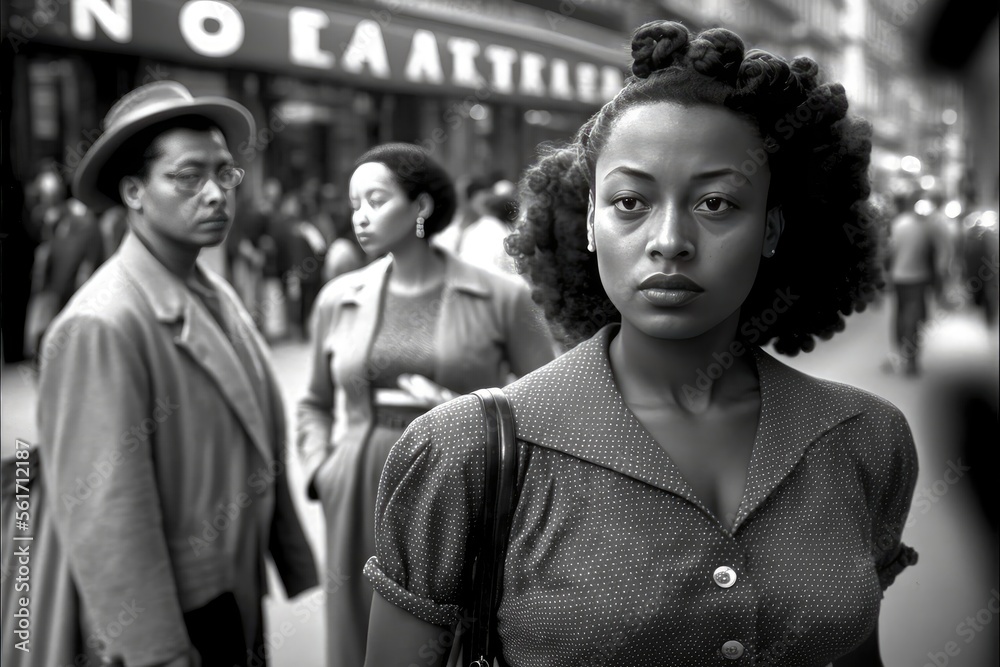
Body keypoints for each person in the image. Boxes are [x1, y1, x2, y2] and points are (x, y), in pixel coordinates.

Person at [363, 21, 918, 667]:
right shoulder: (463, 452)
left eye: (716, 203)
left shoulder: (864, 439)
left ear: (772, 228)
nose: (669, 240)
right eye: (630, 202)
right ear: (588, 221)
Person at [36, 81, 318, 666]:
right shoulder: (100, 324)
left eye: (224, 173)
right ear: (134, 191)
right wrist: (157, 652)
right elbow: (107, 515)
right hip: (179, 615)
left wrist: (286, 551)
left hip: (232, 594)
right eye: (188, 177)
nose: (215, 194)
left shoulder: (214, 293)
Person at [296, 143, 556, 666]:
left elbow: (547, 402)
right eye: (354, 203)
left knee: (450, 632)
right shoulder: (338, 298)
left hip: (460, 483)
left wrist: (464, 412)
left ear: (421, 206)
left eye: (376, 200)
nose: (360, 216)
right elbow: (314, 403)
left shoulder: (502, 297)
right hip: (359, 480)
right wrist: (323, 468)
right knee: (354, 629)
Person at [885, 189, 941, 375]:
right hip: (918, 278)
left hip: (899, 278)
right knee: (913, 318)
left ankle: (900, 353)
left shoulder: (898, 223)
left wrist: (887, 274)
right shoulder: (925, 226)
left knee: (900, 316)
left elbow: (889, 252)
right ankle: (911, 360)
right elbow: (932, 253)